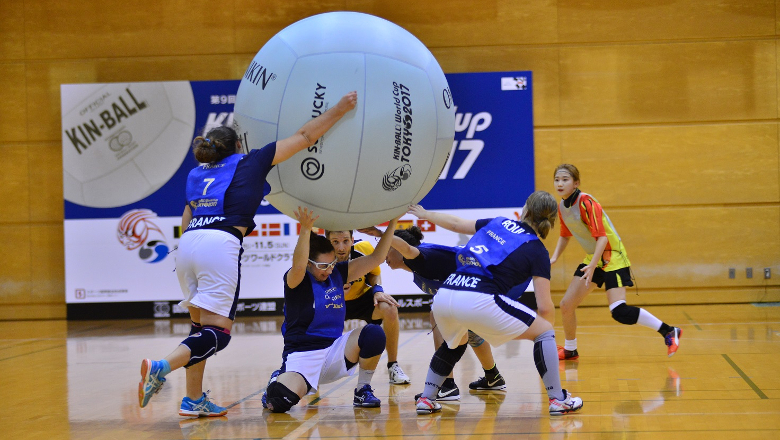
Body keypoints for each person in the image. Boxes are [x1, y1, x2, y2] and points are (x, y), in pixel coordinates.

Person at [138, 91, 359, 417]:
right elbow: (305, 136)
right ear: (237, 146)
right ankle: (160, 366)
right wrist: (339, 109)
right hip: (218, 243)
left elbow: (188, 212)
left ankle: (193, 399)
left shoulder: (195, 174)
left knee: (199, 330)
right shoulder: (250, 160)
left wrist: (189, 249)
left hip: (188, 244)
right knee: (218, 333)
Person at [407, 192, 584, 416]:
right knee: (545, 332)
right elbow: (545, 307)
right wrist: (544, 339)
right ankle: (558, 399)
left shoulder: (499, 222)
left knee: (454, 343)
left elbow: (455, 224)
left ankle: (427, 398)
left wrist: (424, 214)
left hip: (445, 294)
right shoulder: (538, 250)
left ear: (526, 211)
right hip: (478, 297)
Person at [359, 225, 528, 401]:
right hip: (482, 289)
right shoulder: (418, 274)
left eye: (388, 248)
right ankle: (493, 377)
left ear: (399, 247)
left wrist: (381, 234)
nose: (384, 254)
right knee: (467, 329)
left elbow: (408, 249)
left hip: (496, 282)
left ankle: (447, 385)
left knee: (438, 313)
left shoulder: (422, 257)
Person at [261, 209, 400, 413]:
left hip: (335, 351)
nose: (329, 269)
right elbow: (297, 266)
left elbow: (377, 257)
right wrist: (306, 229)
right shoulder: (296, 279)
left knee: (374, 333)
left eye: (332, 263)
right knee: (279, 402)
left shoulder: (338, 273)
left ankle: (363, 389)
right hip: (302, 356)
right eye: (323, 265)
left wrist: (393, 222)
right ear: (308, 263)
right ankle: (279, 376)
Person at [550, 164, 681, 360]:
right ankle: (570, 349)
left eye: (565, 180)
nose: (560, 184)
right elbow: (565, 235)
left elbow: (602, 238)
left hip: (613, 257)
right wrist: (553, 259)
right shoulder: (561, 206)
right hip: (594, 258)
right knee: (567, 305)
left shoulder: (586, 202)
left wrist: (594, 265)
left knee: (619, 311)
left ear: (576, 183)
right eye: (557, 180)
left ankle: (669, 331)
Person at [326, 229, 411, 385]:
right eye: (335, 242)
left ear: (352, 239)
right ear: (327, 242)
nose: (341, 248)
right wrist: (334, 289)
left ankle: (393, 366)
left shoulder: (363, 249)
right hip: (332, 302)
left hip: (360, 299)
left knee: (389, 308)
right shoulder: (320, 257)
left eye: (345, 241)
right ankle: (311, 368)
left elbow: (374, 273)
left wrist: (377, 290)